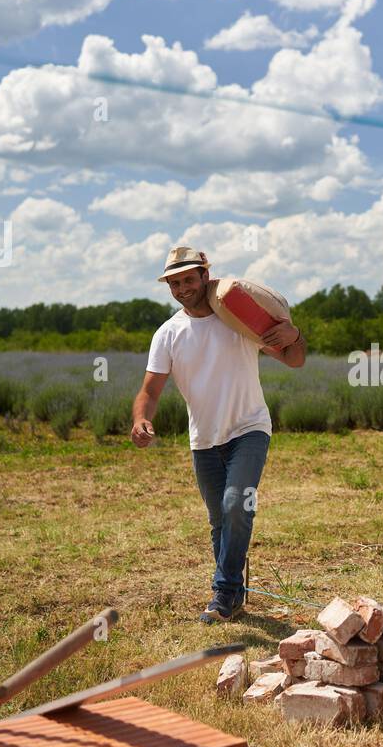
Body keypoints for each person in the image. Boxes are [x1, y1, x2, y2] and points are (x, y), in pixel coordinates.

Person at [131, 246, 306, 624]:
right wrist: (141, 419)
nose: (182, 288)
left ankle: (222, 593)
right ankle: (234, 595)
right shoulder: (168, 334)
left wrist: (293, 334)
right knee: (220, 521)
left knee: (235, 505)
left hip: (249, 429)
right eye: (174, 283)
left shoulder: (236, 319)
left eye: (188, 280)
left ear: (205, 276)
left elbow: (294, 358)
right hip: (204, 440)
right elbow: (149, 391)